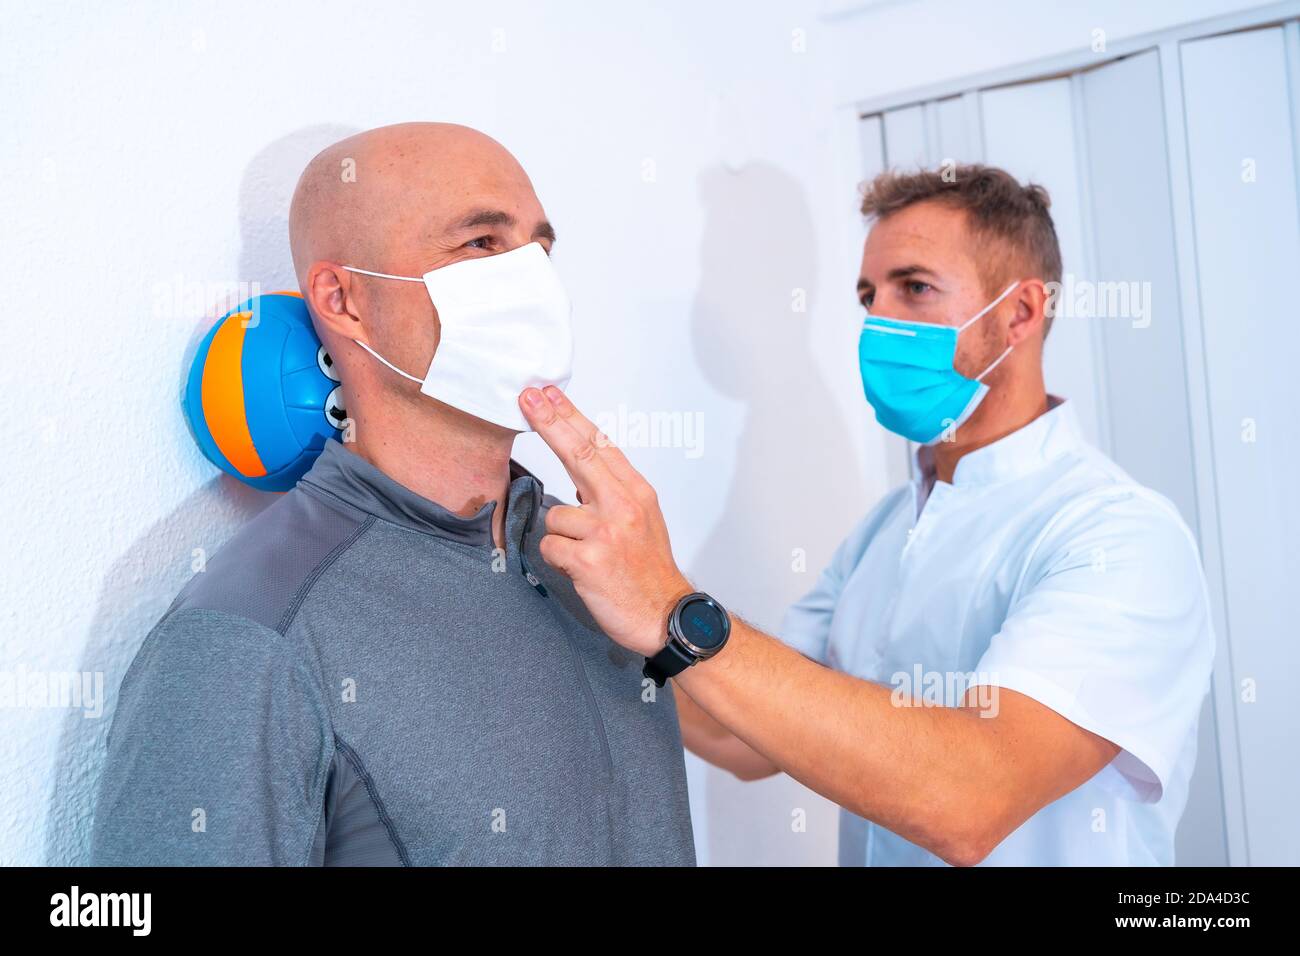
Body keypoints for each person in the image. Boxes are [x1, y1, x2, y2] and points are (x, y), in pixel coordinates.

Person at [517, 165, 1215, 866]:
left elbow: (971, 799)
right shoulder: (885, 531)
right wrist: (586, 600)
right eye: (868, 296)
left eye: (914, 288)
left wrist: (667, 601)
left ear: (1021, 313)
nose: (879, 322)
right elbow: (746, 735)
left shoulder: (1117, 536)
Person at [90, 123, 695, 866]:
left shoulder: (603, 571)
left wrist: (675, 614)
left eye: (541, 248)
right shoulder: (248, 636)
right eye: (480, 244)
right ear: (343, 301)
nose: (533, 279)